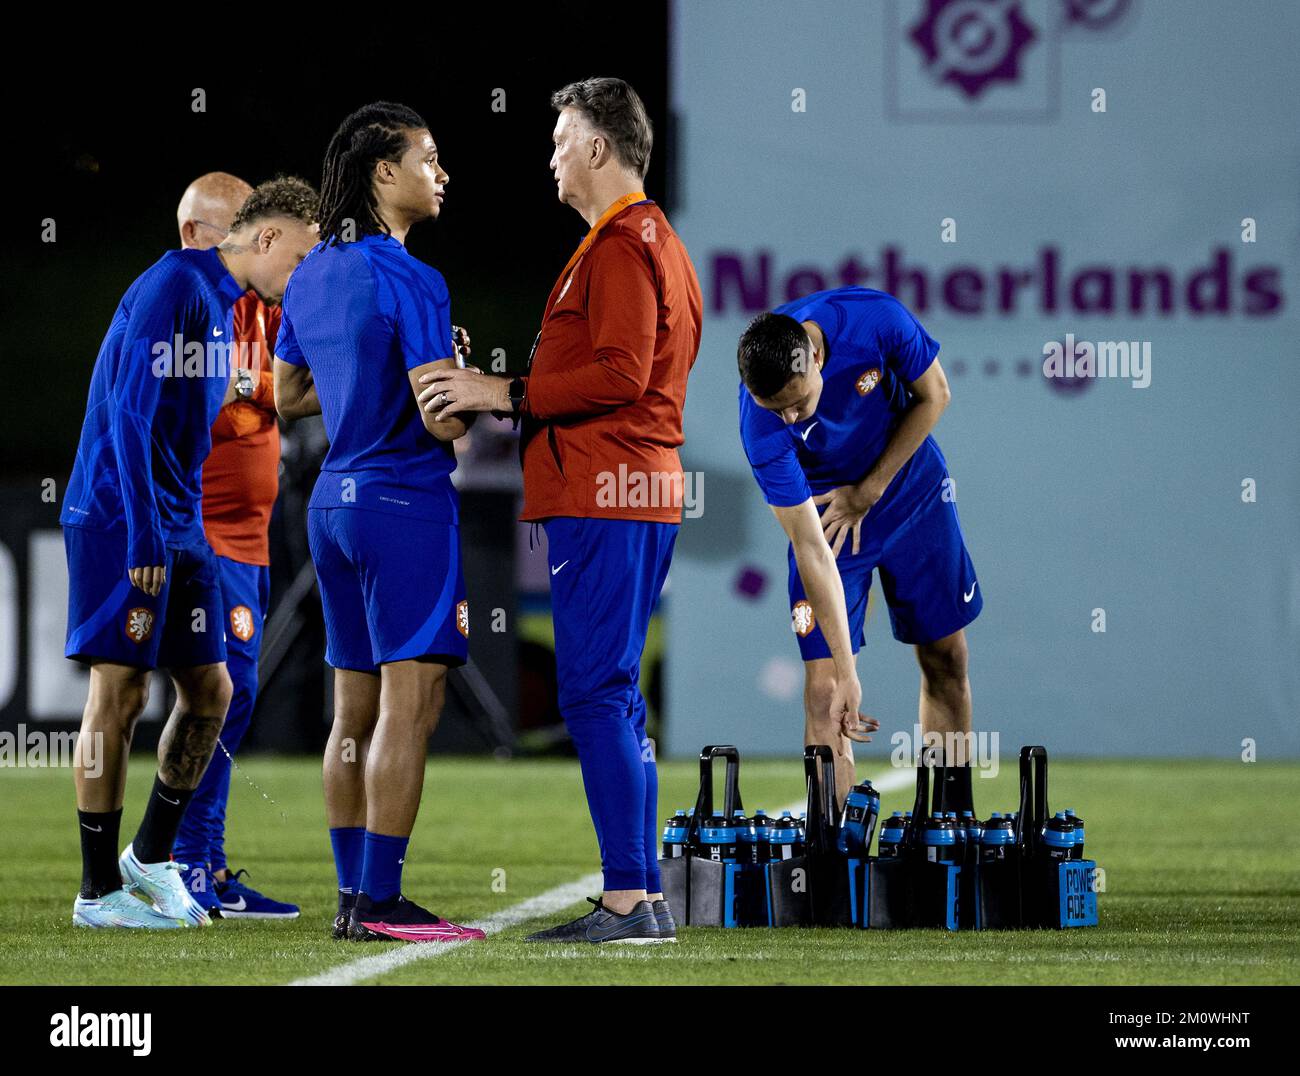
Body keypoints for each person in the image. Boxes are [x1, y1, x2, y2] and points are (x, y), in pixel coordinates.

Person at [419, 77, 701, 944]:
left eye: (559, 137)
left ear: (597, 147)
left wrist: (499, 389)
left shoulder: (621, 244)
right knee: (612, 694)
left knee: (592, 692)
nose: (549, 154)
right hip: (637, 488)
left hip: (607, 491)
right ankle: (642, 894)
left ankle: (627, 899)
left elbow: (620, 371)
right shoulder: (655, 240)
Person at [64, 178, 319, 928]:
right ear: (267, 240)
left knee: (211, 691)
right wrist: (144, 530)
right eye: (301, 262)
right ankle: (96, 892)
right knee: (119, 693)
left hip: (183, 526)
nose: (300, 280)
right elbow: (129, 411)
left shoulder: (223, 303)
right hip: (122, 520)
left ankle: (150, 854)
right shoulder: (176, 284)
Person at [274, 101, 485, 944]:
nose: (443, 173)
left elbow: (288, 396)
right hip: (403, 503)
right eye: (429, 158)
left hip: (333, 505)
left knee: (351, 714)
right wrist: (460, 377)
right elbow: (445, 422)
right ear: (383, 173)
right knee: (414, 702)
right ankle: (383, 901)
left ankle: (351, 899)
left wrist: (370, 372)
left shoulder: (315, 271)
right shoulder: (413, 277)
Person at [737, 287, 980, 812]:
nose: (792, 420)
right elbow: (810, 547)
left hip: (910, 490)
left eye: (799, 401)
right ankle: (830, 853)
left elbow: (935, 395)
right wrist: (848, 673)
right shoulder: (761, 426)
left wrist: (868, 491)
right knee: (824, 692)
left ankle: (947, 826)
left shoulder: (873, 320)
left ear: (817, 357)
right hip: (828, 514)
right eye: (776, 409)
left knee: (946, 657)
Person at [171, 172, 308, 920]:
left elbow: (281, 390)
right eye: (245, 227)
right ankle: (184, 861)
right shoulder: (185, 304)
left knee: (230, 695)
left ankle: (196, 860)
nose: (261, 241)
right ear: (199, 234)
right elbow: (191, 395)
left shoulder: (258, 306)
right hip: (200, 531)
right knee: (216, 695)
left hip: (248, 537)